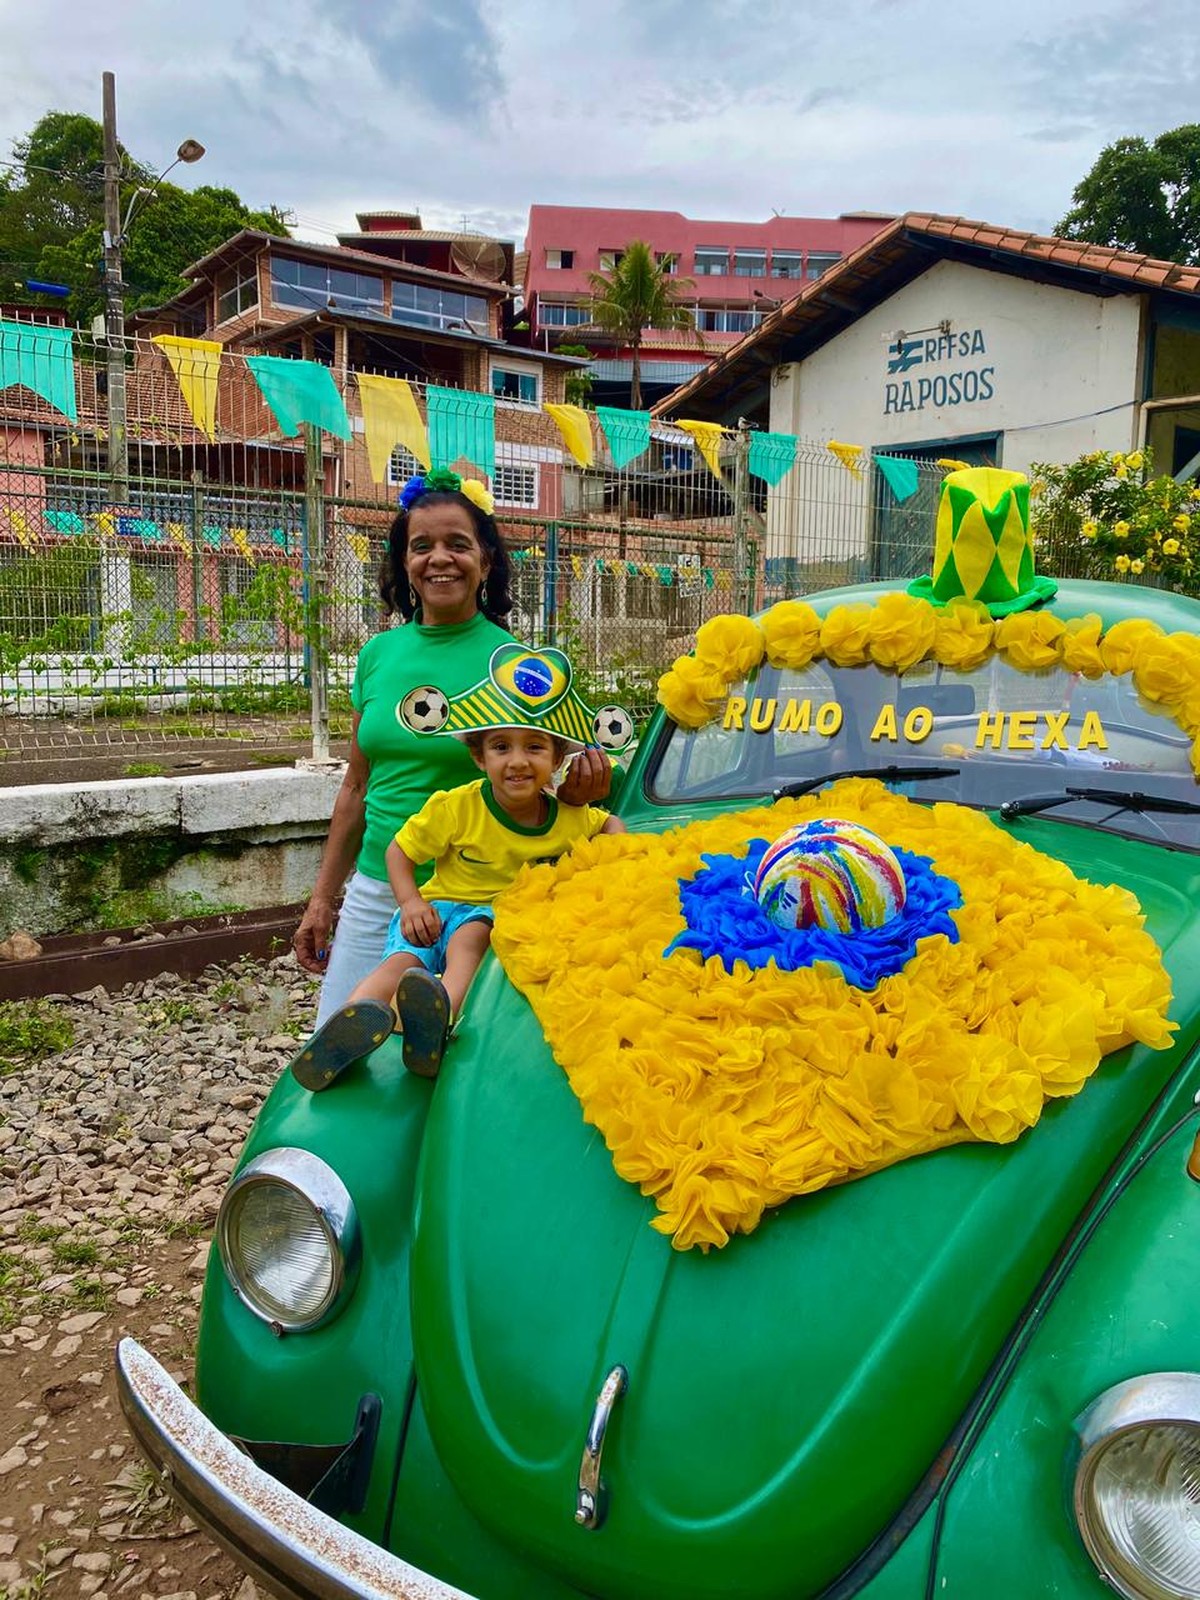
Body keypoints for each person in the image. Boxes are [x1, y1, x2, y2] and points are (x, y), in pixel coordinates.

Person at [291, 468, 613, 1026]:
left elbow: (544, 768)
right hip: (380, 883)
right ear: (405, 565)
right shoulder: (378, 655)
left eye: (457, 544)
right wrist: (323, 897)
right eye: (422, 547)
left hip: (484, 899)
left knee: (450, 1046)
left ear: (485, 562)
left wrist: (588, 787)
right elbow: (356, 786)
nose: (439, 558)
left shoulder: (516, 664)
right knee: (342, 1036)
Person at [290, 683, 627, 1086]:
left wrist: (614, 857)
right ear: (479, 757)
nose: (517, 761)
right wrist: (410, 902)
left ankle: (433, 1016)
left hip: (481, 917)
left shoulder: (568, 816)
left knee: (470, 939)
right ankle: (345, 1032)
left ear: (557, 759)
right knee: (397, 965)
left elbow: (608, 825)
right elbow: (399, 851)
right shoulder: (457, 806)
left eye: (534, 748)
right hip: (429, 911)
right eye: (501, 747)